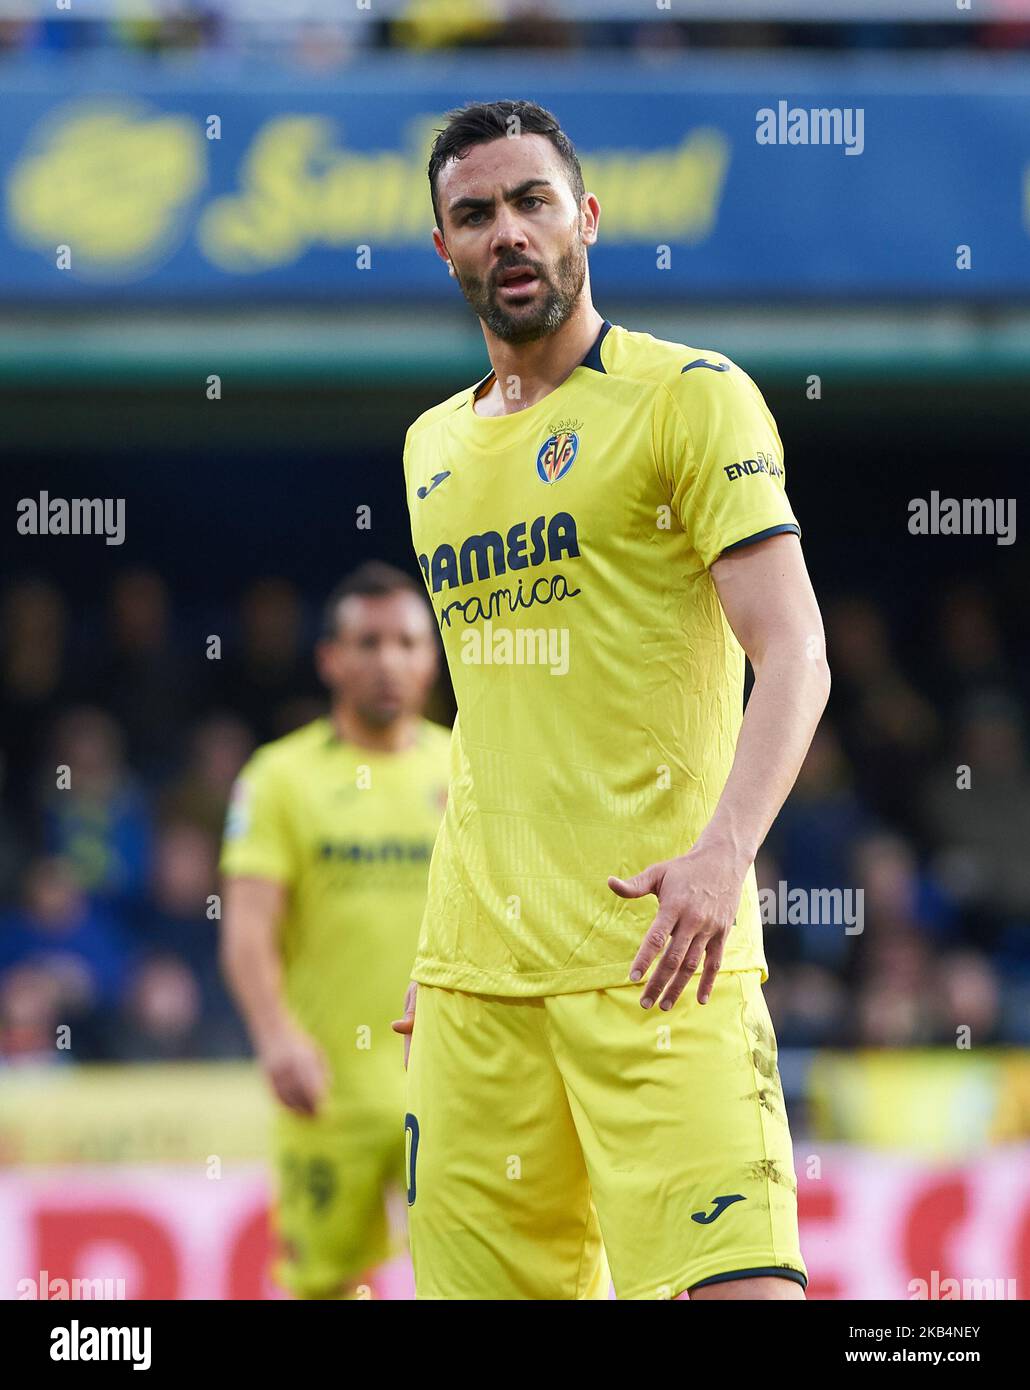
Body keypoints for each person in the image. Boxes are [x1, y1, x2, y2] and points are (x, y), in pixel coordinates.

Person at [393, 100, 831, 1301]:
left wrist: (720, 856)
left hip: (662, 960)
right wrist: (439, 955)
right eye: (474, 214)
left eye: (532, 201)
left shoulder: (693, 398)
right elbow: (498, 714)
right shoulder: (428, 450)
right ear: (446, 251)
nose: (509, 233)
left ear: (585, 216)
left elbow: (794, 652)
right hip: (476, 986)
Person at [220, 562, 450, 1298]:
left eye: (408, 643)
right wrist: (275, 1034)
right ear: (329, 659)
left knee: (473, 1284)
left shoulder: (472, 769)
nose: (389, 661)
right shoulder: (279, 778)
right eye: (368, 642)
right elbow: (247, 927)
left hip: (455, 1092)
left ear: (432, 658)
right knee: (321, 1288)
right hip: (328, 1091)